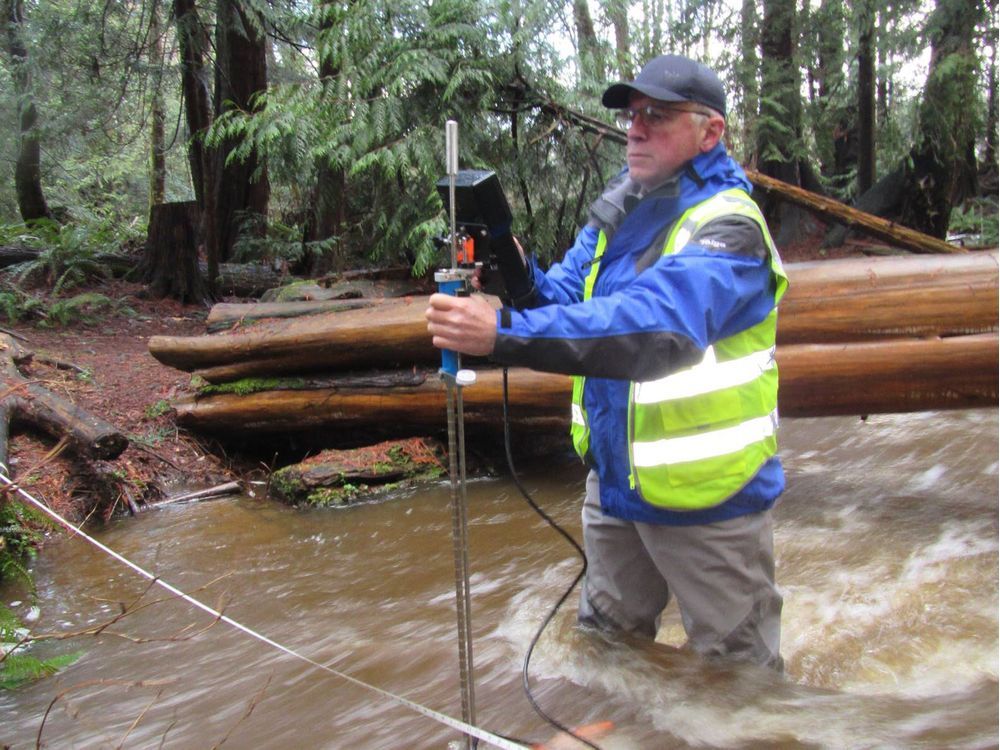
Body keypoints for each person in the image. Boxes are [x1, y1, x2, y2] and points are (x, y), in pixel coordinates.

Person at [425, 54, 787, 670]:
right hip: (616, 484)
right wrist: (515, 267)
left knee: (738, 678)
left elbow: (654, 330)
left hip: (711, 500)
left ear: (710, 132)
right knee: (607, 655)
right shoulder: (622, 207)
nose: (635, 130)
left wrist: (501, 332)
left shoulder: (730, 226)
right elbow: (568, 301)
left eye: (658, 116)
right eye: (632, 116)